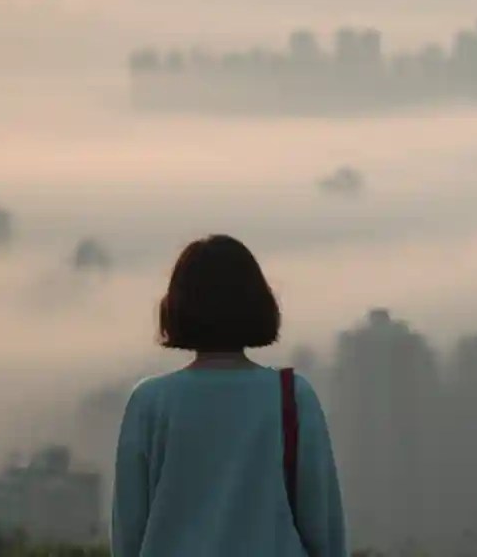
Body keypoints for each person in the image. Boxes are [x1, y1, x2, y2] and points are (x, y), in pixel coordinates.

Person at [112, 235, 346, 557]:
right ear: (259, 303)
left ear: (176, 305)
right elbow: (324, 528)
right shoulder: (292, 397)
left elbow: (128, 533)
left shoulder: (150, 403)